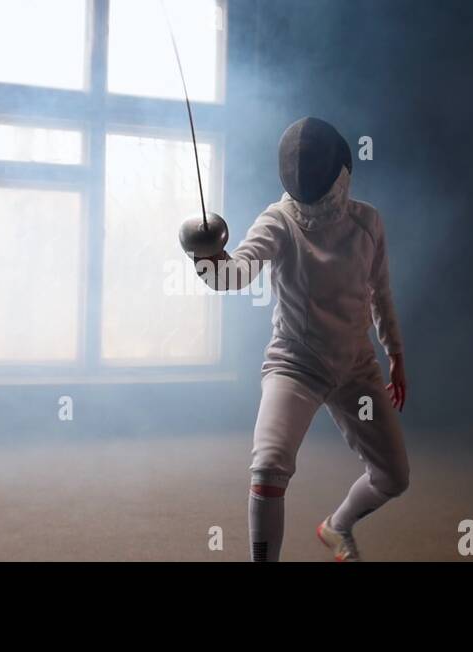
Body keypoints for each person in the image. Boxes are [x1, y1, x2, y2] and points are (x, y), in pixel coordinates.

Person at [180, 117, 409, 562]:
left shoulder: (368, 223)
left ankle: (336, 527)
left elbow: (380, 292)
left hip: (356, 366)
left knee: (393, 478)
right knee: (267, 468)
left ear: (342, 173)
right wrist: (206, 260)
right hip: (295, 365)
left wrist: (395, 353)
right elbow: (237, 271)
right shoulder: (280, 219)